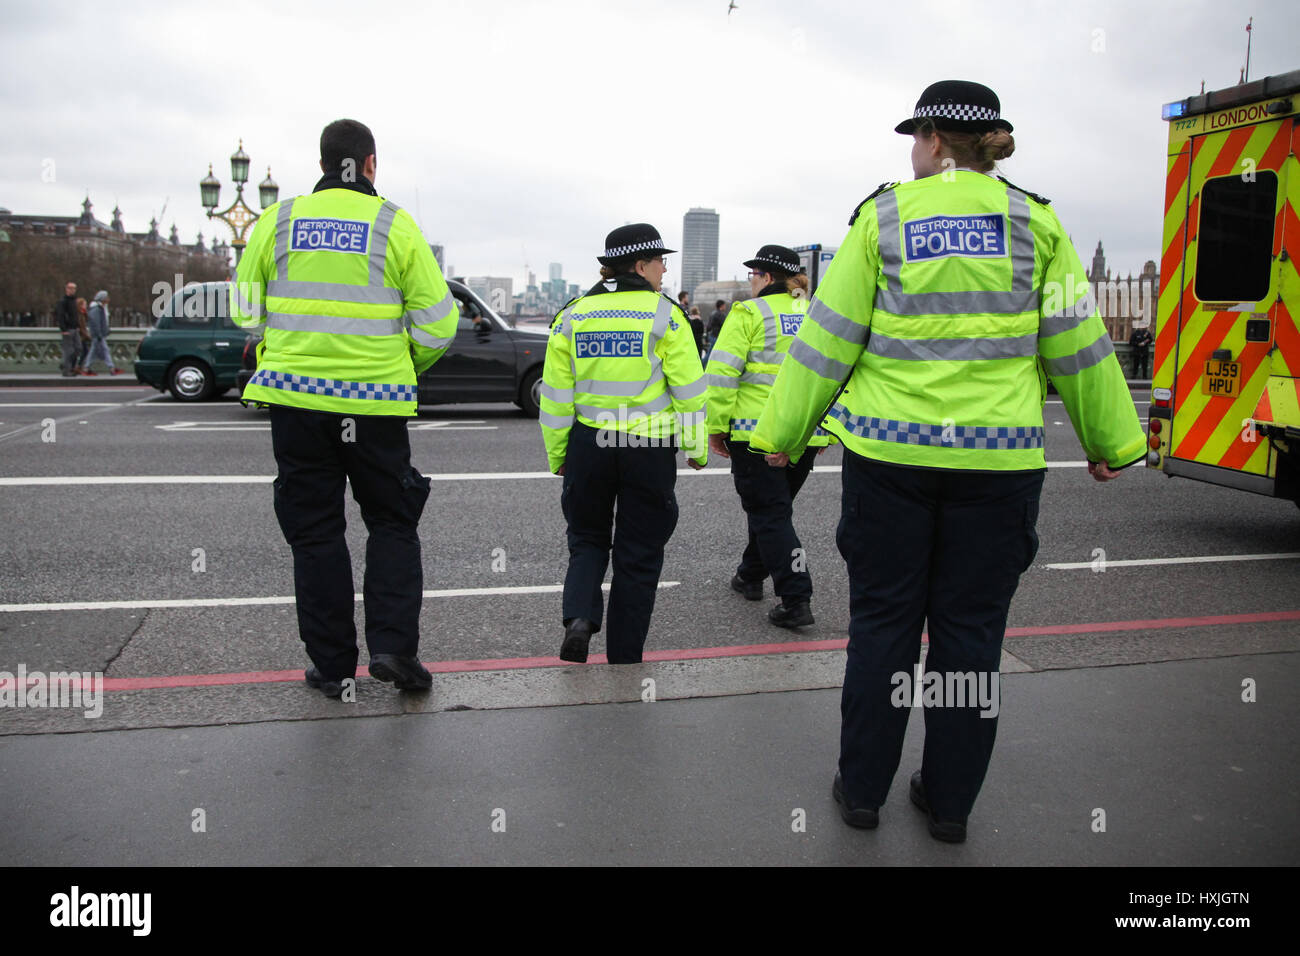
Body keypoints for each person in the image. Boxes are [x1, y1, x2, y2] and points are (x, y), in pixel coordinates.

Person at [751, 80, 1146, 842]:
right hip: (997, 468)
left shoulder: (884, 216)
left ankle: (863, 792)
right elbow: (1077, 343)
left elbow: (828, 340)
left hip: (890, 462)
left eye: (914, 139)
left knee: (884, 627)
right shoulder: (1037, 222)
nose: (910, 152)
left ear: (933, 140)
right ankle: (951, 803)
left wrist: (784, 432)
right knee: (970, 637)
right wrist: (1110, 442)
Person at [230, 118, 459, 699]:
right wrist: (400, 363)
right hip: (376, 403)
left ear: (326, 161)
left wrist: (283, 341)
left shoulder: (277, 221)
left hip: (295, 401)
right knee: (391, 522)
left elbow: (241, 309)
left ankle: (332, 668)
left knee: (315, 533)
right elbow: (438, 326)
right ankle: (393, 650)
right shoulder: (395, 225)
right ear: (370, 164)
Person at [538, 223, 707, 664]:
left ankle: (579, 619)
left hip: (589, 444)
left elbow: (555, 396)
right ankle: (625, 657)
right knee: (639, 553)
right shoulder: (665, 314)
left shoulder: (573, 313)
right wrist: (696, 447)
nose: (665, 270)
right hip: (645, 449)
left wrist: (559, 453)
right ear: (639, 265)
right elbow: (689, 388)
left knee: (588, 538)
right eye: (659, 261)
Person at [706, 244, 835, 628]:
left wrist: (717, 426)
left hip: (755, 433)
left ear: (765, 277)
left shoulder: (749, 312)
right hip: (803, 434)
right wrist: (824, 431)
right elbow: (834, 374)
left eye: (753, 276)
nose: (751, 283)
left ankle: (796, 597)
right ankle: (750, 574)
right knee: (772, 511)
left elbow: (723, 374)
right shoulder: (815, 313)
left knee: (770, 514)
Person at [81, 291, 120, 375]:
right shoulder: (96, 309)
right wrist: (99, 334)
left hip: (98, 334)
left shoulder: (98, 308)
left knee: (95, 351)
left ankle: (87, 367)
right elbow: (96, 323)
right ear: (103, 299)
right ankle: (111, 368)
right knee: (104, 350)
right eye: (107, 297)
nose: (108, 299)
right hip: (98, 335)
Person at [55, 282, 80, 376]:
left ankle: (65, 365)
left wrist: (77, 326)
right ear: (66, 289)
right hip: (68, 329)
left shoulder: (74, 301)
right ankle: (67, 370)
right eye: (70, 288)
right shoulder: (63, 301)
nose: (72, 290)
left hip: (75, 328)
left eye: (74, 288)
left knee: (78, 349)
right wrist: (63, 329)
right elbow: (60, 316)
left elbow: (75, 315)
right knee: (68, 350)